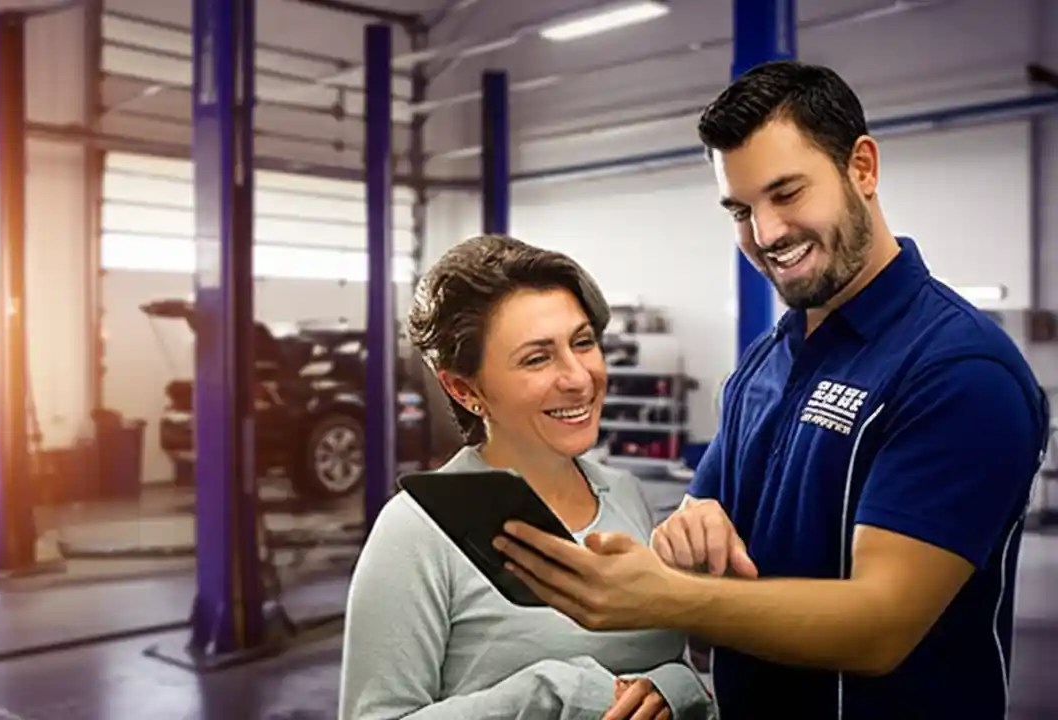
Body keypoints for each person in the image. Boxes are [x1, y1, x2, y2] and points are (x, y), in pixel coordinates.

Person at [492, 60, 1050, 720]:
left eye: (787, 193)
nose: (765, 234)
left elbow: (881, 626)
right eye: (740, 209)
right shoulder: (762, 365)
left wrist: (660, 598)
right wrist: (684, 538)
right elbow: (707, 540)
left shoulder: (959, 370)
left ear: (862, 168)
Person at [338, 234, 715, 720]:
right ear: (465, 388)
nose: (579, 377)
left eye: (583, 343)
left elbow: (671, 661)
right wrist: (550, 693)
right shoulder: (417, 530)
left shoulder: (623, 494)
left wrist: (673, 686)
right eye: (537, 358)